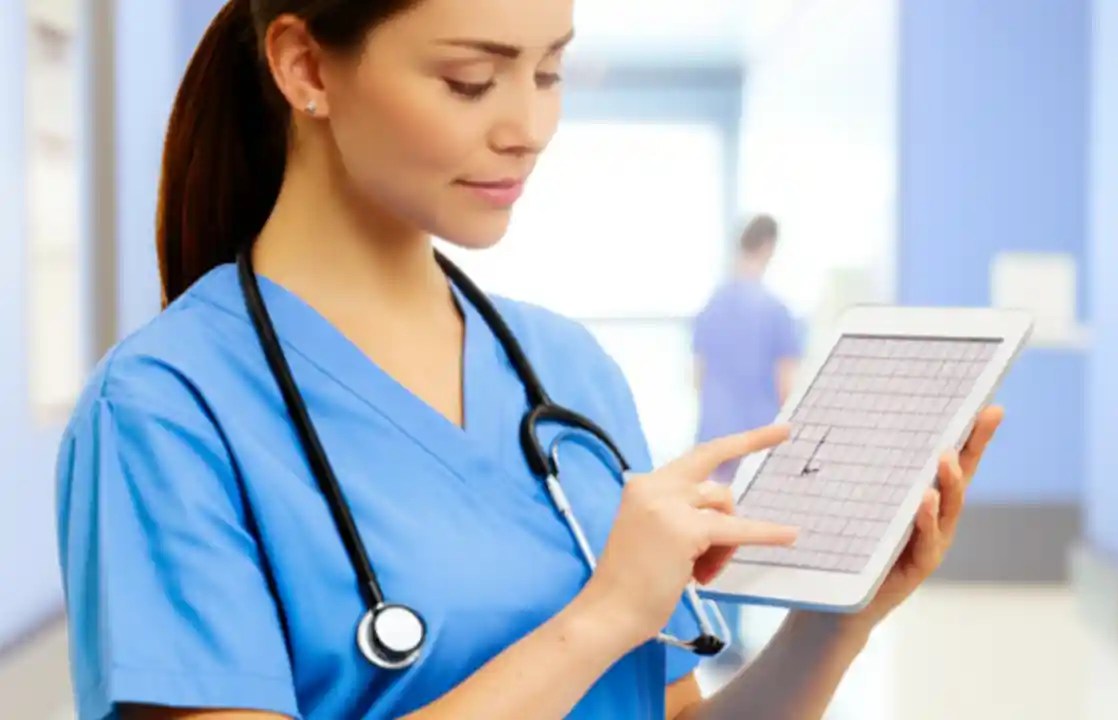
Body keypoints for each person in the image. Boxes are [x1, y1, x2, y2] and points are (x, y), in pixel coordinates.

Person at [54, 1, 1004, 719]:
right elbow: (608, 627)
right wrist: (601, 618)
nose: (529, 126)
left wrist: (836, 624)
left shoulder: (568, 373)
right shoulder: (167, 409)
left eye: (551, 73)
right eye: (473, 80)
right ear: (306, 66)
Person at [691, 214, 802, 659]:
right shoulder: (776, 311)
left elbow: (696, 375)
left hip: (716, 432)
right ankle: (736, 638)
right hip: (757, 434)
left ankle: (718, 634)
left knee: (715, 532)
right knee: (744, 534)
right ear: (770, 247)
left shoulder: (713, 304)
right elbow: (786, 386)